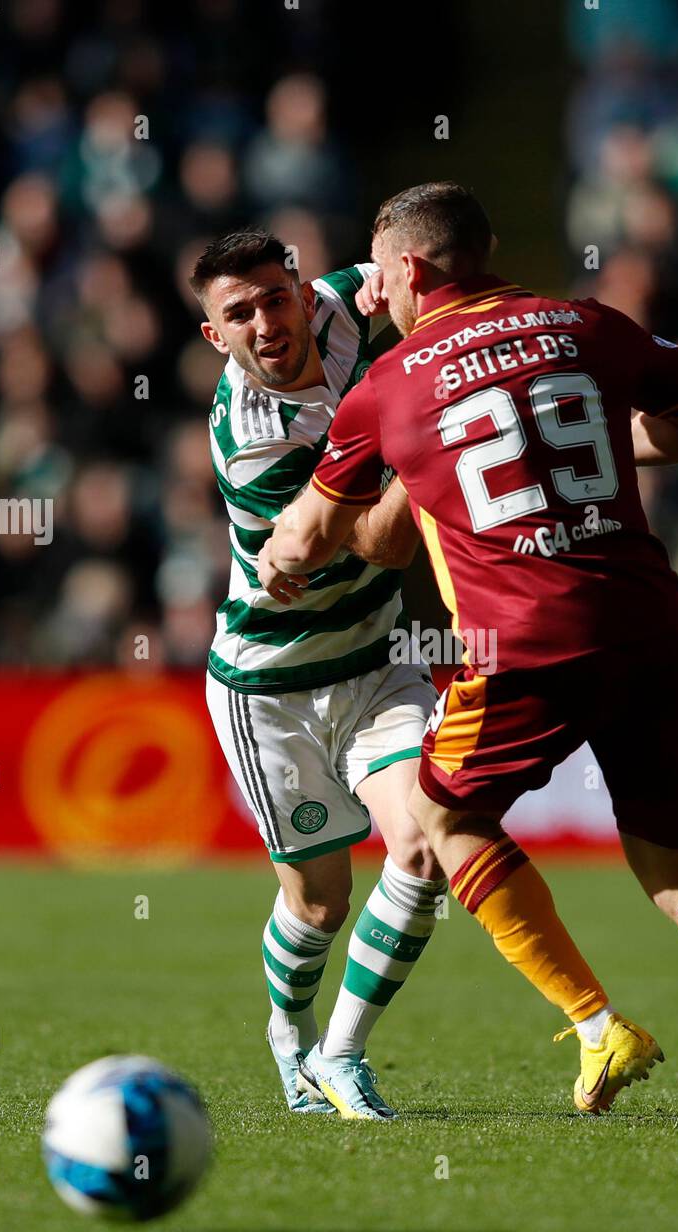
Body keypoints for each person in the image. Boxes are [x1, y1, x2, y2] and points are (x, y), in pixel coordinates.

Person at [259, 183, 678, 1132]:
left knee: (443, 820)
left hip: (520, 642)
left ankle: (596, 1021)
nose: (377, 295)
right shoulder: (588, 325)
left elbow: (316, 541)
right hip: (644, 625)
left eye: (381, 275)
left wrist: (287, 553)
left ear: (409, 269)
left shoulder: (391, 382)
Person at [190, 228, 446, 1122]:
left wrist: (396, 293)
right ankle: (287, 1033)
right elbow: (376, 535)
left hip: (374, 664)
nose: (264, 321)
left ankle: (341, 1056)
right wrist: (434, 434)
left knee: (425, 845)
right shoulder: (248, 442)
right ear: (211, 337)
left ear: (300, 291)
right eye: (238, 313)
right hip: (271, 690)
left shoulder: (335, 302)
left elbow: (396, 273)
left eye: (273, 297)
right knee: (318, 904)